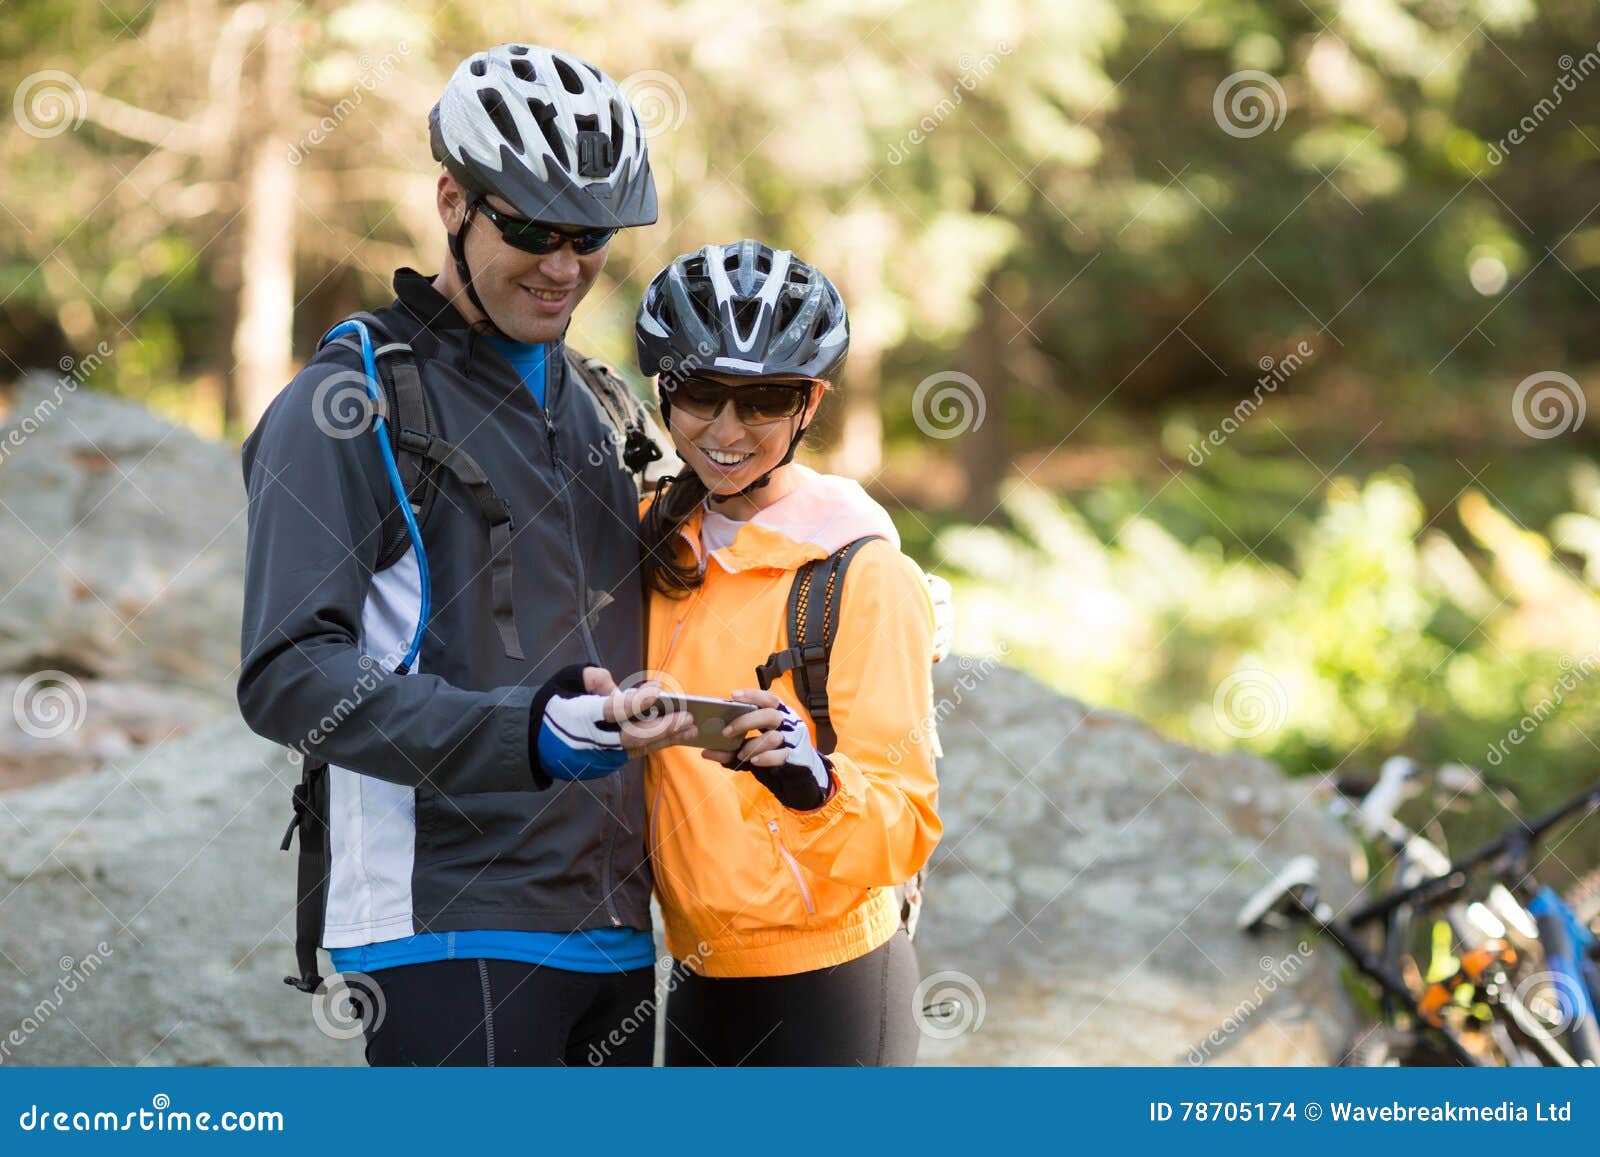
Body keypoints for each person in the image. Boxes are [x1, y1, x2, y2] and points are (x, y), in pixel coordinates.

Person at [236, 43, 696, 1067]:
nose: (563, 266)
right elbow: (286, 675)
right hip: (444, 926)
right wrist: (524, 732)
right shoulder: (351, 401)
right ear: (452, 200)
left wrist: (850, 573)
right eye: (529, 229)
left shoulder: (598, 405)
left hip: (616, 927)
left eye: (589, 236)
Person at [635, 240, 943, 1066]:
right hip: (695, 970)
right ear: (664, 387)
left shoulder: (864, 576)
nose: (727, 430)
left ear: (810, 403)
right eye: (700, 393)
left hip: (832, 984)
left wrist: (816, 786)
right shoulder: (652, 541)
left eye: (765, 400)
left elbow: (908, 823)